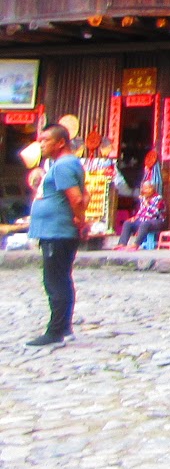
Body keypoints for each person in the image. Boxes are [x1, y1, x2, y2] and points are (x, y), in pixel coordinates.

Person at [27, 124, 86, 347]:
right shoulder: (66, 164)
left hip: (57, 231)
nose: (41, 144)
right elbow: (84, 195)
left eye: (45, 140)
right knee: (61, 278)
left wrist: (79, 221)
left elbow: (78, 198)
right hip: (57, 230)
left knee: (54, 281)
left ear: (60, 142)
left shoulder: (62, 166)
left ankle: (56, 331)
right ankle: (65, 327)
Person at [112, 182, 166, 250]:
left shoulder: (158, 198)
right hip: (143, 220)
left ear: (152, 189)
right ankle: (122, 244)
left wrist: (147, 205)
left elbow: (157, 212)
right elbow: (141, 211)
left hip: (156, 221)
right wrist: (135, 217)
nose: (146, 190)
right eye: (145, 188)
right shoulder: (144, 198)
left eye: (148, 188)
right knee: (128, 223)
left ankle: (136, 244)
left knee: (145, 224)